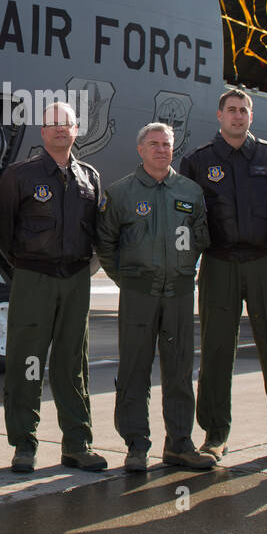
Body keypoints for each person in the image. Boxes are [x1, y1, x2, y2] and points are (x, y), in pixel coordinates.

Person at [180, 88, 267, 464]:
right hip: (219, 262)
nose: (238, 116)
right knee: (218, 350)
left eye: (244, 111)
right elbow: (189, 213)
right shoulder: (198, 162)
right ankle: (214, 436)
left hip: (265, 259)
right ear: (219, 116)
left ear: (251, 117)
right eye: (231, 110)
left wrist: (263, 234)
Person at [0, 101, 107, 474]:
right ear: (42, 132)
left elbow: (94, 231)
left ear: (77, 130)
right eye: (53, 124)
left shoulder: (89, 176)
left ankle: (78, 443)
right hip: (33, 278)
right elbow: (4, 232)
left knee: (73, 363)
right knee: (28, 361)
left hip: (75, 280)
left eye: (68, 124)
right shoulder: (19, 176)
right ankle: (24, 444)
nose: (61, 129)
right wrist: (29, 266)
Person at [97, 122, 214, 473]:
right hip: (138, 294)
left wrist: (181, 270)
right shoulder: (121, 193)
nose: (161, 150)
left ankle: (180, 443)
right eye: (154, 144)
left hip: (178, 292)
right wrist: (128, 278)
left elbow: (201, 238)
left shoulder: (190, 191)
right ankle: (136, 445)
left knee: (179, 370)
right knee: (134, 370)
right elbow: (105, 243)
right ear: (140, 149)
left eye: (166, 144)